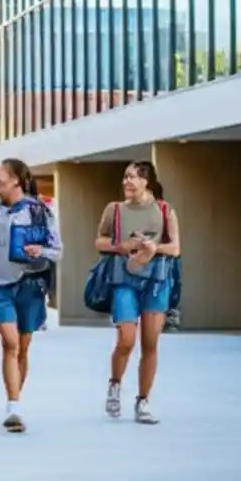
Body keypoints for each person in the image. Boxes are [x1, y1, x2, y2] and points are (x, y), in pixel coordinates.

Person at [0, 158, 62, 434]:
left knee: (22, 346)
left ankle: (14, 402)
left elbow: (56, 250)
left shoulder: (40, 211)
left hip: (29, 285)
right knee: (10, 343)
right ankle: (13, 406)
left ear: (15, 181)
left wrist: (40, 251)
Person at [95, 161, 181, 425]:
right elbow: (99, 241)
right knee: (126, 339)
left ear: (146, 181)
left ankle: (143, 401)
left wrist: (154, 248)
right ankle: (115, 384)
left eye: (132, 177)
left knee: (150, 343)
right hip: (124, 281)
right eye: (125, 177)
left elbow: (175, 248)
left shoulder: (165, 210)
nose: (126, 182)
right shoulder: (114, 210)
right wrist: (120, 246)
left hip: (156, 282)